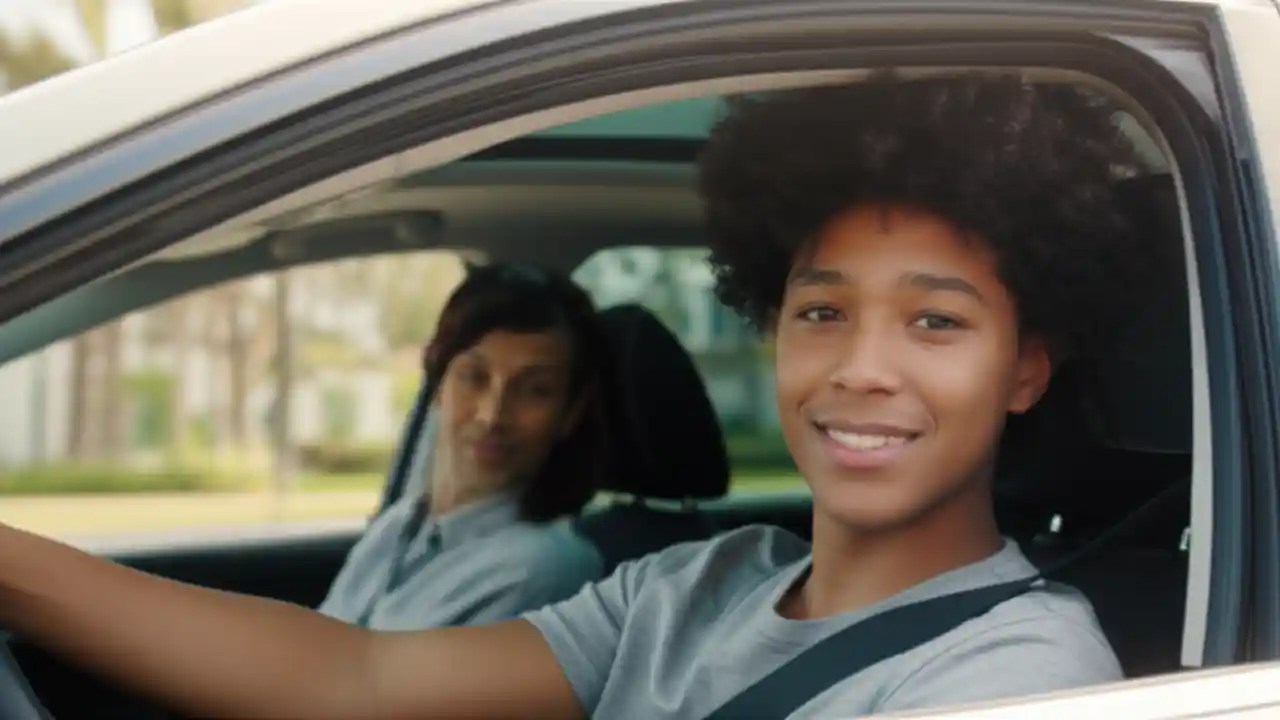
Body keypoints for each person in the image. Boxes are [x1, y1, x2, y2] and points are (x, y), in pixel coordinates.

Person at [0, 74, 1152, 719]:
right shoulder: (693, 584)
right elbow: (358, 674)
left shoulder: (1020, 676)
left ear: (1023, 369)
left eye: (935, 321)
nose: (859, 365)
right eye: (819, 310)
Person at [316, 262, 610, 630]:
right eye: (474, 377)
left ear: (570, 413)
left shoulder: (545, 567)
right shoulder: (400, 524)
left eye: (535, 390)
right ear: (438, 384)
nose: (492, 415)